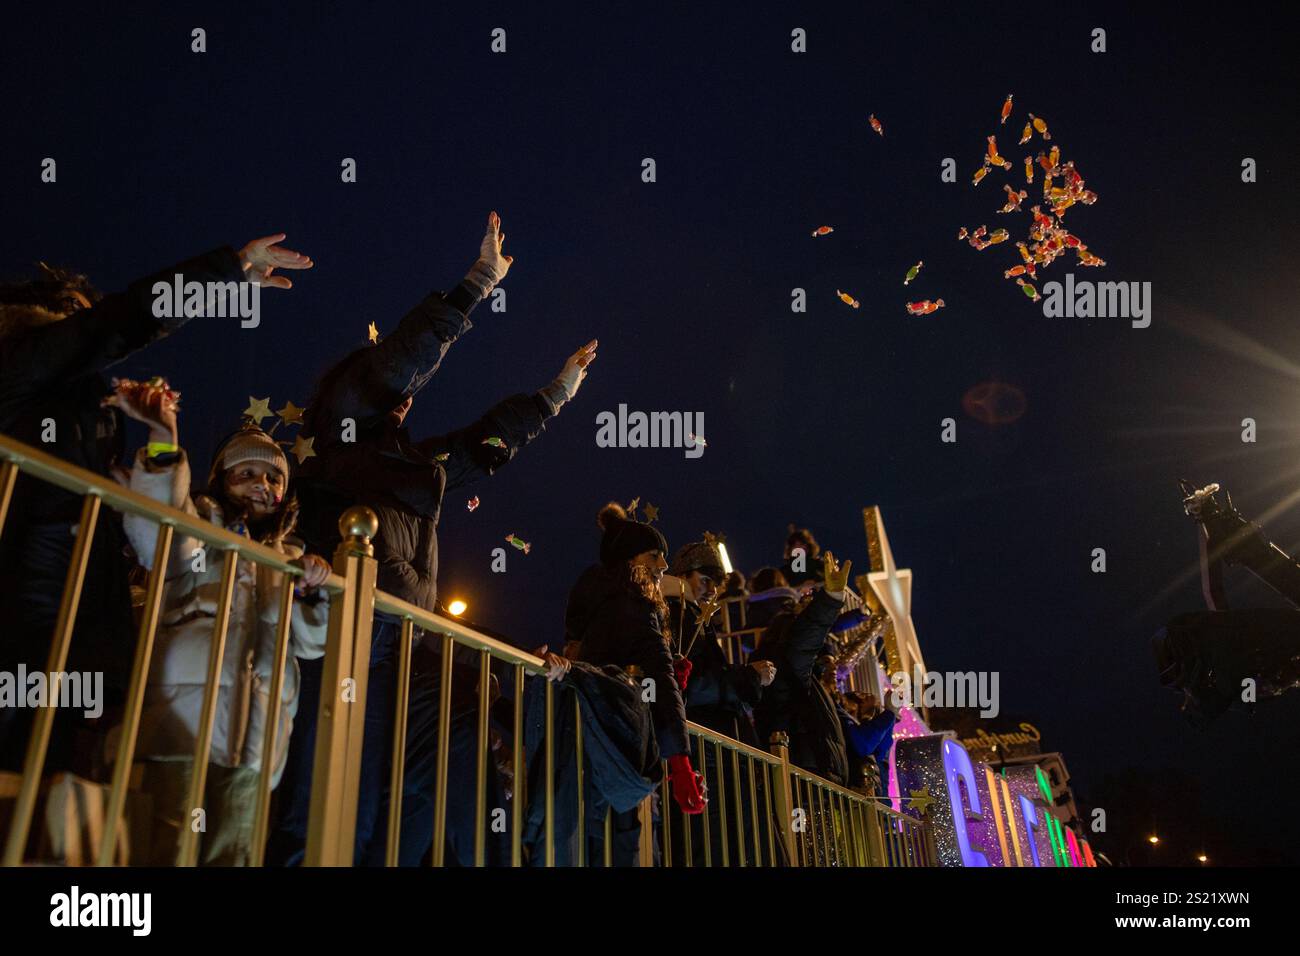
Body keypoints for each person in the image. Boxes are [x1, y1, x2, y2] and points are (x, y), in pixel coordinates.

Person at [272, 212, 595, 865]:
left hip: (403, 651)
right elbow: (398, 365)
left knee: (393, 807)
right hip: (342, 647)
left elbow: (481, 447)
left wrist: (553, 397)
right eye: (396, 391)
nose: (407, 400)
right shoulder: (340, 429)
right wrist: (477, 283)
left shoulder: (406, 469)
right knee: (329, 812)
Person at [0, 235, 312, 771]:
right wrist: (224, 273)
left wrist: (161, 439)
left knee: (54, 779)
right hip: (25, 596)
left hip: (82, 606)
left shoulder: (82, 403)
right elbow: (117, 323)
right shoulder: (21, 363)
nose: (91, 338)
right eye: (78, 320)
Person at [105, 378, 332, 864]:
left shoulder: (287, 558)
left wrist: (313, 594)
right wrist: (163, 440)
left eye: (273, 478)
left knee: (234, 853)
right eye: (247, 471)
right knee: (168, 848)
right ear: (221, 480)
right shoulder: (200, 525)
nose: (261, 484)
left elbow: (313, 644)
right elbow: (159, 530)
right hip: (181, 729)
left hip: (255, 742)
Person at [565, 503, 706, 864]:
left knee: (593, 841)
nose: (662, 566)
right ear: (630, 559)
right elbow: (657, 676)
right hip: (619, 741)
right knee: (621, 845)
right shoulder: (636, 602)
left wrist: (668, 671)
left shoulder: (602, 601)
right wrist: (679, 763)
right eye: (654, 556)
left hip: (590, 736)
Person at [750, 552, 852, 785]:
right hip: (807, 777)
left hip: (809, 773)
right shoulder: (792, 668)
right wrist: (830, 599)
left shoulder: (805, 681)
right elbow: (803, 643)